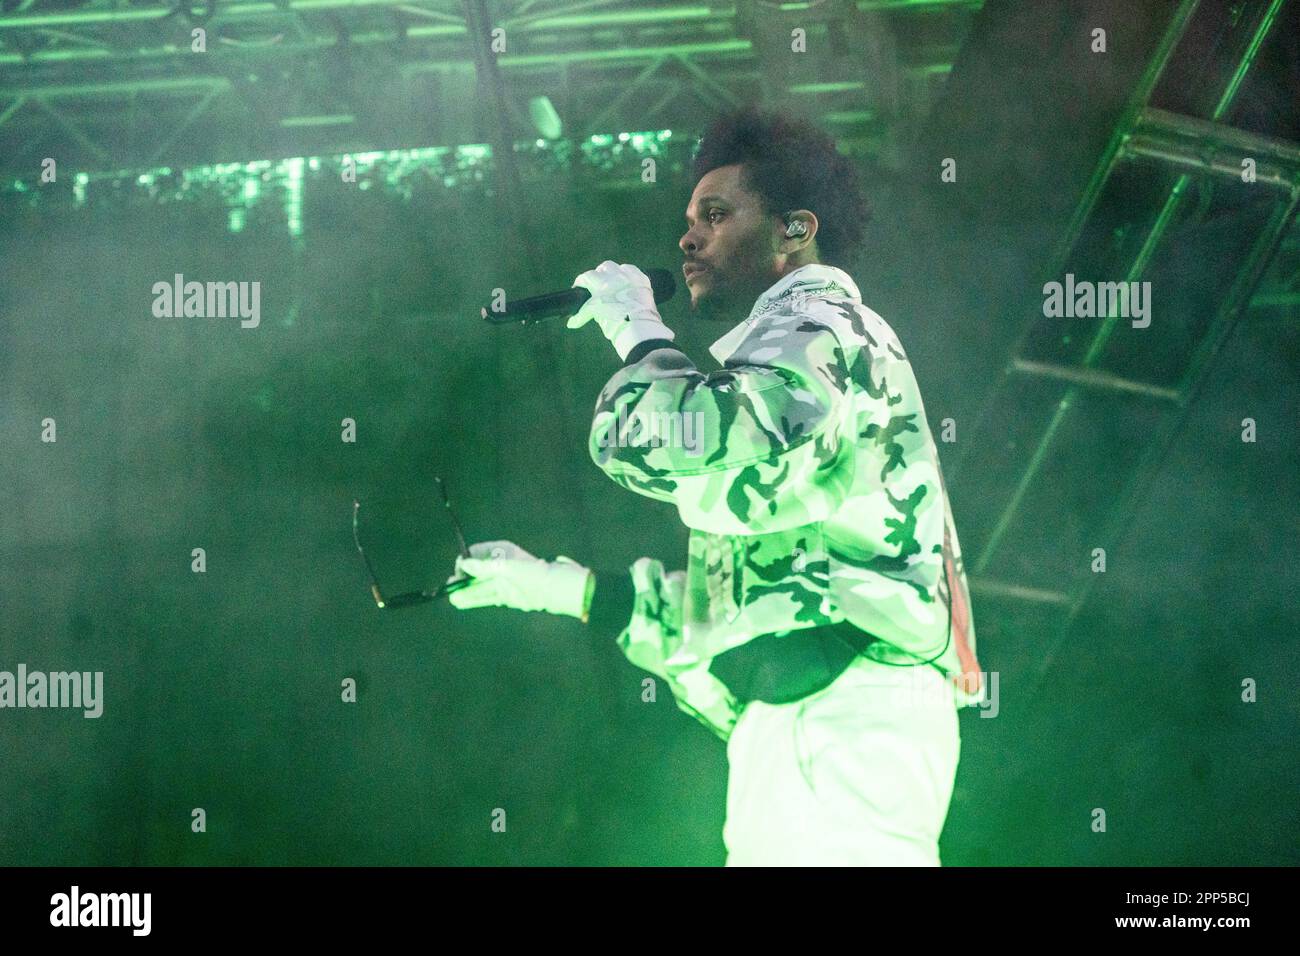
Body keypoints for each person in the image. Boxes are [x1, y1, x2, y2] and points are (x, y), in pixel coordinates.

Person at [446, 107, 985, 866]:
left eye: (716, 214)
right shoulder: (786, 361)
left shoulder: (822, 326)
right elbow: (744, 601)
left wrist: (638, 332)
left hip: (848, 713)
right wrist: (546, 587)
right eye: (689, 219)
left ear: (795, 230)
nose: (687, 238)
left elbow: (669, 433)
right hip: (816, 717)